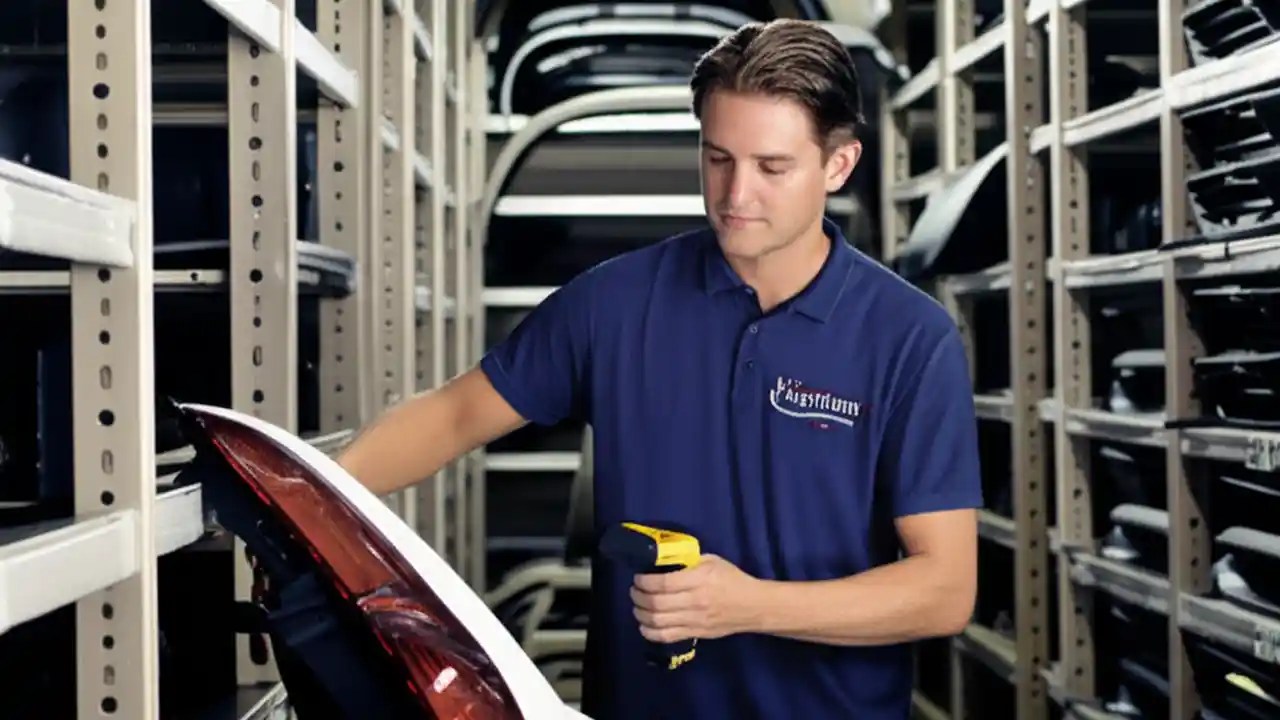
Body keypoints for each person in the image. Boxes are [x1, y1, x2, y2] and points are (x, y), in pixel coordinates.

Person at [337, 17, 982, 720]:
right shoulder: (612, 304)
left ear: (838, 165)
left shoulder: (910, 339)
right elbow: (453, 414)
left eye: (771, 168)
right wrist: (297, 498)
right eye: (717, 158)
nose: (735, 197)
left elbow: (944, 590)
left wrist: (747, 605)